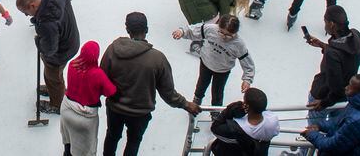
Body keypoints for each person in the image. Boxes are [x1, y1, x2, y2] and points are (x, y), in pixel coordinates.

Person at [101, 12, 200, 155]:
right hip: (140, 113)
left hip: (115, 109)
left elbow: (102, 78)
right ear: (146, 30)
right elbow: (168, 93)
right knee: (133, 141)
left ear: (127, 30)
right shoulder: (157, 59)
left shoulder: (112, 50)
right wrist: (186, 104)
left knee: (112, 136)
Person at [16, 0, 78, 115]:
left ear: (32, 5)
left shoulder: (47, 23)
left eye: (26, 12)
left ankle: (57, 104)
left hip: (62, 50)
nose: (27, 16)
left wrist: (38, 42)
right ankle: (54, 88)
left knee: (53, 75)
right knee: (54, 74)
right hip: (70, 37)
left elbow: (49, 50)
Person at [301, 5, 360, 131]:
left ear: (332, 24)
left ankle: (306, 151)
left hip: (323, 96)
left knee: (314, 129)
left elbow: (335, 84)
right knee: (336, 128)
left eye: (325, 22)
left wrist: (323, 103)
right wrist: (323, 46)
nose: (324, 26)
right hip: (345, 96)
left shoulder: (332, 54)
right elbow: (344, 57)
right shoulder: (357, 36)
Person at [301, 74, 360, 156]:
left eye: (351, 87)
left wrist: (311, 134)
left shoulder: (355, 121)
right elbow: (339, 121)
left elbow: (332, 147)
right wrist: (320, 126)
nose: (346, 87)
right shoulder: (358, 107)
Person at [60, 40, 117, 156]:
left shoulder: (72, 65)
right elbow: (111, 91)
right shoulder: (98, 74)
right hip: (86, 118)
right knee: (86, 149)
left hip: (67, 110)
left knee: (69, 140)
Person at [208, 88, 280, 155]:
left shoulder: (233, 129)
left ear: (246, 106)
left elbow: (215, 128)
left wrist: (231, 109)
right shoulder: (272, 120)